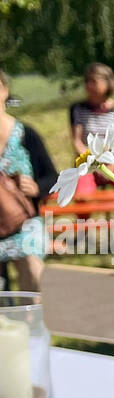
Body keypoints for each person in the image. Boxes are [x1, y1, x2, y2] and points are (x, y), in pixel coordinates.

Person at [0, 67, 57, 290]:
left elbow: (52, 176)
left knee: (33, 270)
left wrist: (36, 187)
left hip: (23, 224)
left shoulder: (25, 134)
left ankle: (35, 321)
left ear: (5, 90)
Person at [69, 62, 114, 155]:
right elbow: (77, 141)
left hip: (113, 163)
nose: (89, 85)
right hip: (87, 162)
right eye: (87, 81)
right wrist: (93, 160)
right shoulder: (78, 110)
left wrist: (111, 161)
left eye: (93, 81)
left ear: (107, 83)